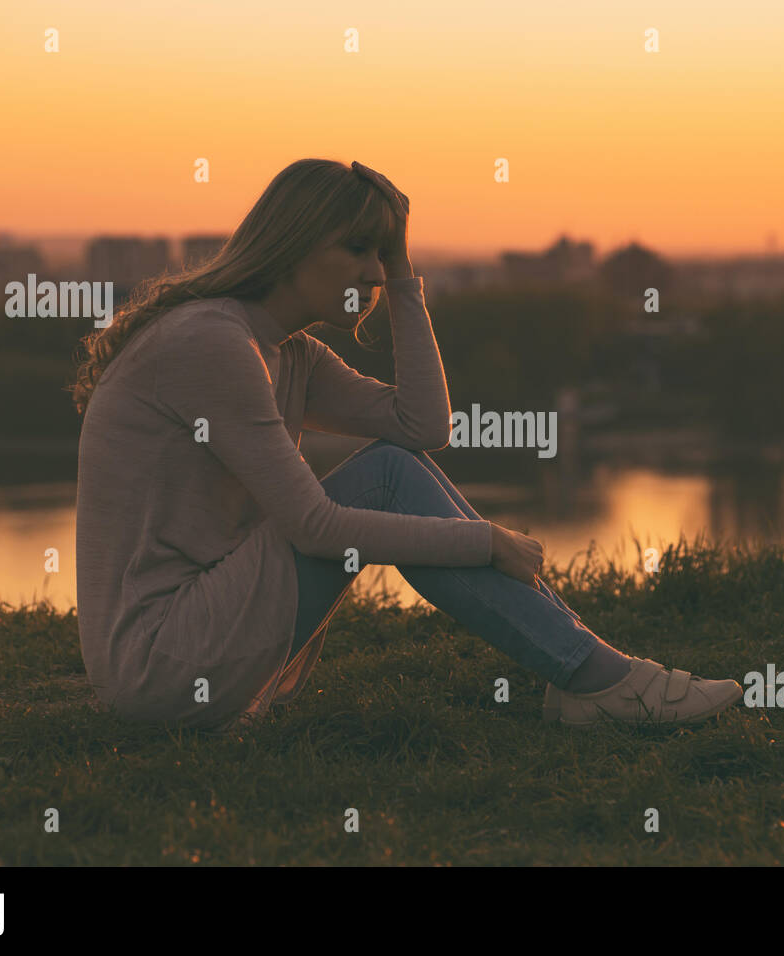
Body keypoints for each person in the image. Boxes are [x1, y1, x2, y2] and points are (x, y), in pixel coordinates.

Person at [70, 158, 743, 732]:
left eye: (380, 251)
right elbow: (314, 527)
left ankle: (588, 673)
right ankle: (599, 680)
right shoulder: (212, 343)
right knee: (386, 474)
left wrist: (400, 273)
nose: (370, 269)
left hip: (199, 640)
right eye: (358, 249)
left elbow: (422, 426)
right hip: (159, 662)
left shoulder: (287, 352)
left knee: (399, 460)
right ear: (297, 246)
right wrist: (485, 540)